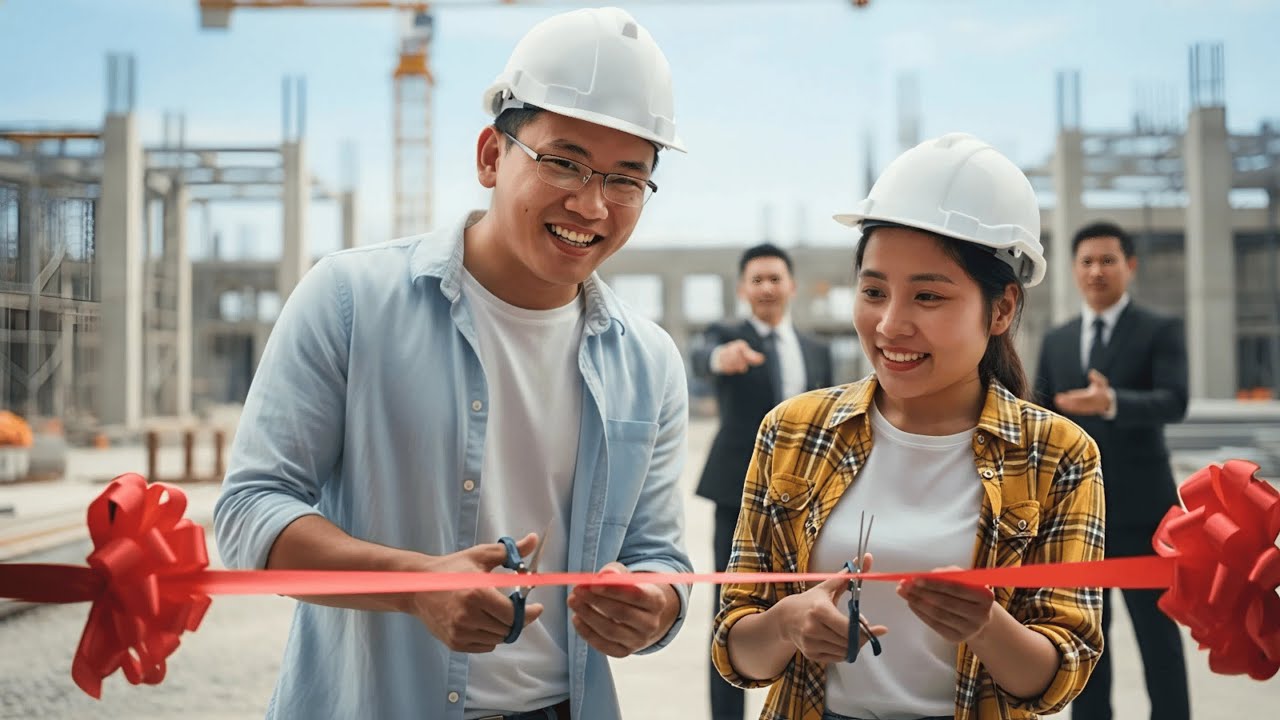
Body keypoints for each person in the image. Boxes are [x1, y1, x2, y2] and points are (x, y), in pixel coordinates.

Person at [213, 8, 693, 720]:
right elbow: (248, 515)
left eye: (626, 179)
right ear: (491, 157)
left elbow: (660, 554)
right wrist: (411, 584)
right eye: (563, 161)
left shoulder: (648, 362)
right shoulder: (350, 301)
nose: (591, 203)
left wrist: (653, 607)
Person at [711, 133, 1105, 720]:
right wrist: (787, 624)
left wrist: (986, 624)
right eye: (873, 291)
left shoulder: (1058, 454)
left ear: (1000, 309)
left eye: (928, 296)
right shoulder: (792, 432)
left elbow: (1058, 675)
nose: (890, 325)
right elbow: (736, 648)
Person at [1034, 221, 1190, 720]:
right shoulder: (1058, 340)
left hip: (1146, 514)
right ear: (1073, 270)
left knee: (1158, 639)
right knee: (1086, 641)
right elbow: (1039, 408)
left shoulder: (1159, 329)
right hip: (1079, 518)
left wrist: (1114, 402)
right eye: (1086, 262)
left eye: (1107, 261)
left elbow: (1175, 400)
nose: (1096, 271)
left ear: (1130, 266)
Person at [691, 242, 833, 720]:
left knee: (806, 606)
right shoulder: (727, 336)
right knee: (730, 612)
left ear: (791, 286)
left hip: (807, 501)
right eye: (757, 280)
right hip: (737, 494)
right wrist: (719, 358)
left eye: (775, 279)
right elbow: (702, 355)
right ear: (742, 290)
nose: (767, 288)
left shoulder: (816, 350)